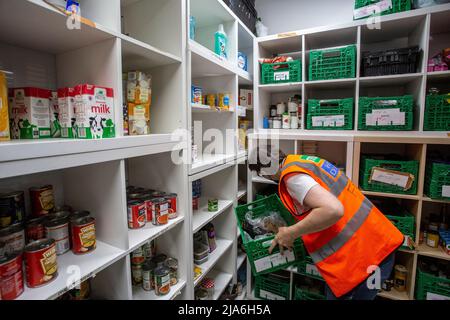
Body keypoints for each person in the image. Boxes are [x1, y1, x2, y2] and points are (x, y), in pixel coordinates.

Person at [249, 148, 404, 300]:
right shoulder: (301, 161)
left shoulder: (292, 178)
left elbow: (333, 210)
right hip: (377, 244)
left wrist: (291, 232)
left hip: (361, 258)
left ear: (264, 172)